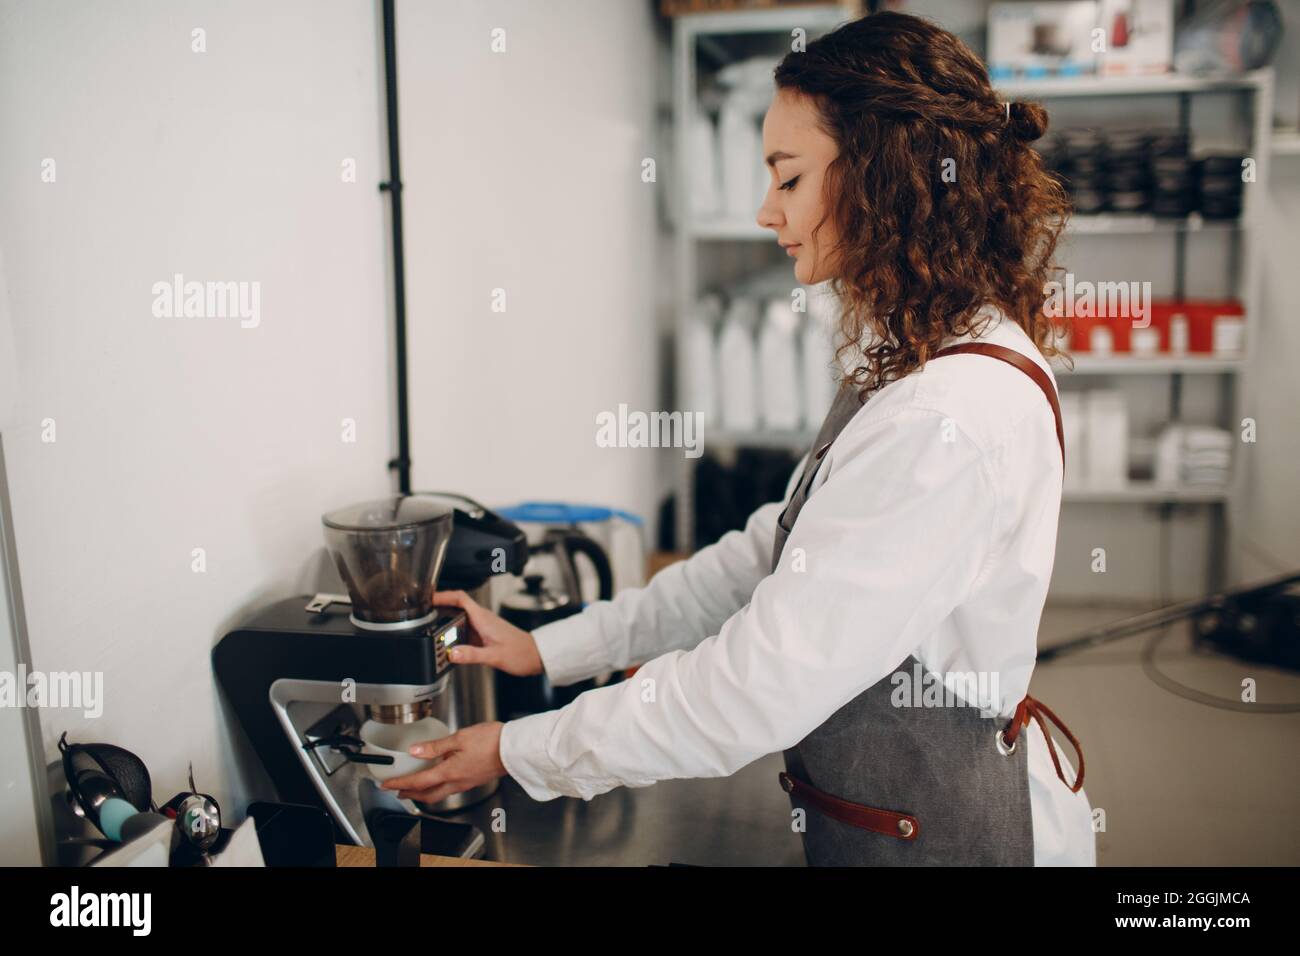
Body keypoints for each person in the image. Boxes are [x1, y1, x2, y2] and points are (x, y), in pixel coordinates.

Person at [382, 11, 1095, 866]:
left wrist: (519, 749)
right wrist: (556, 646)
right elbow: (773, 551)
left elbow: (757, 687)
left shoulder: (946, 417)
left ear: (881, 176)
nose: (765, 211)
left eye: (787, 178)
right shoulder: (921, 350)